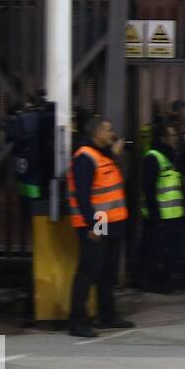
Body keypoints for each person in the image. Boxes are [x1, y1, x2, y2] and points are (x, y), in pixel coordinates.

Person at [65, 115, 134, 338]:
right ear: (96, 133)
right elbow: (82, 196)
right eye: (108, 129)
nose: (111, 132)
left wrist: (116, 149)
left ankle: (107, 315)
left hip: (111, 221)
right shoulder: (85, 158)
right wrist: (93, 225)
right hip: (99, 221)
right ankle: (77, 321)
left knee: (107, 271)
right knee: (89, 271)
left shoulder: (102, 155)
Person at [140, 118, 185, 291]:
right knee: (156, 252)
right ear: (162, 138)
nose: (175, 138)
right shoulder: (153, 158)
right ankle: (156, 283)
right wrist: (155, 217)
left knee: (169, 252)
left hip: (173, 216)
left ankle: (165, 281)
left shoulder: (169, 157)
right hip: (160, 218)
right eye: (172, 135)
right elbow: (149, 190)